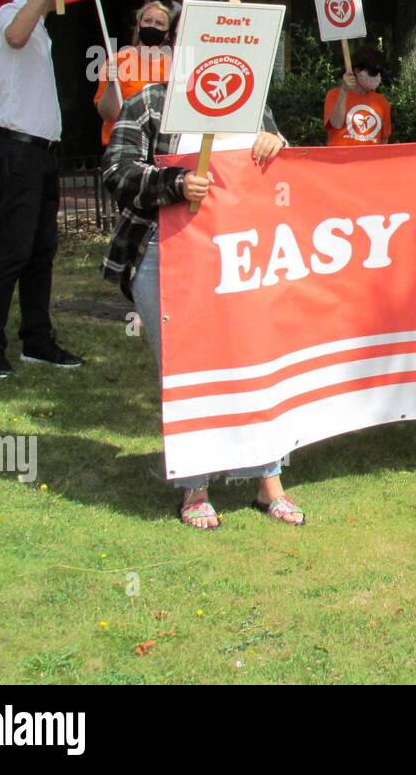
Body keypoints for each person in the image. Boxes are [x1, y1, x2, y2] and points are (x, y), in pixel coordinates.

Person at [101, 82, 306, 529]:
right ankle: (195, 487)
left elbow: (280, 184)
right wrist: (172, 183)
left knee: (257, 363)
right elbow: (116, 172)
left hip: (243, 257)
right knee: (184, 370)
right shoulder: (149, 103)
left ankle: (268, 481)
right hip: (166, 256)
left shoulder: (254, 109)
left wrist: (279, 148)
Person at [0, 0, 84, 378]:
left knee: (41, 251)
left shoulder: (41, 29)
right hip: (15, 150)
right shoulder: (9, 15)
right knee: (12, 250)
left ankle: (36, 340)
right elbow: (15, 36)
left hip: (41, 153)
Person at [94, 0, 173, 146]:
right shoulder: (117, 60)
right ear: (138, 26)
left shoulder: (175, 65)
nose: (152, 26)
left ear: (167, 33)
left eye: (159, 23)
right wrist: (111, 83)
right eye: (148, 21)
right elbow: (107, 114)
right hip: (123, 144)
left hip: (161, 146)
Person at [325, 45, 392, 146]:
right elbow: (336, 124)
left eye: (380, 72)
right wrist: (343, 92)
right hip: (340, 160)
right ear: (357, 71)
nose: (377, 76)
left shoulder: (382, 102)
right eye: (373, 71)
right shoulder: (335, 95)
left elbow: (384, 139)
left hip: (369, 161)